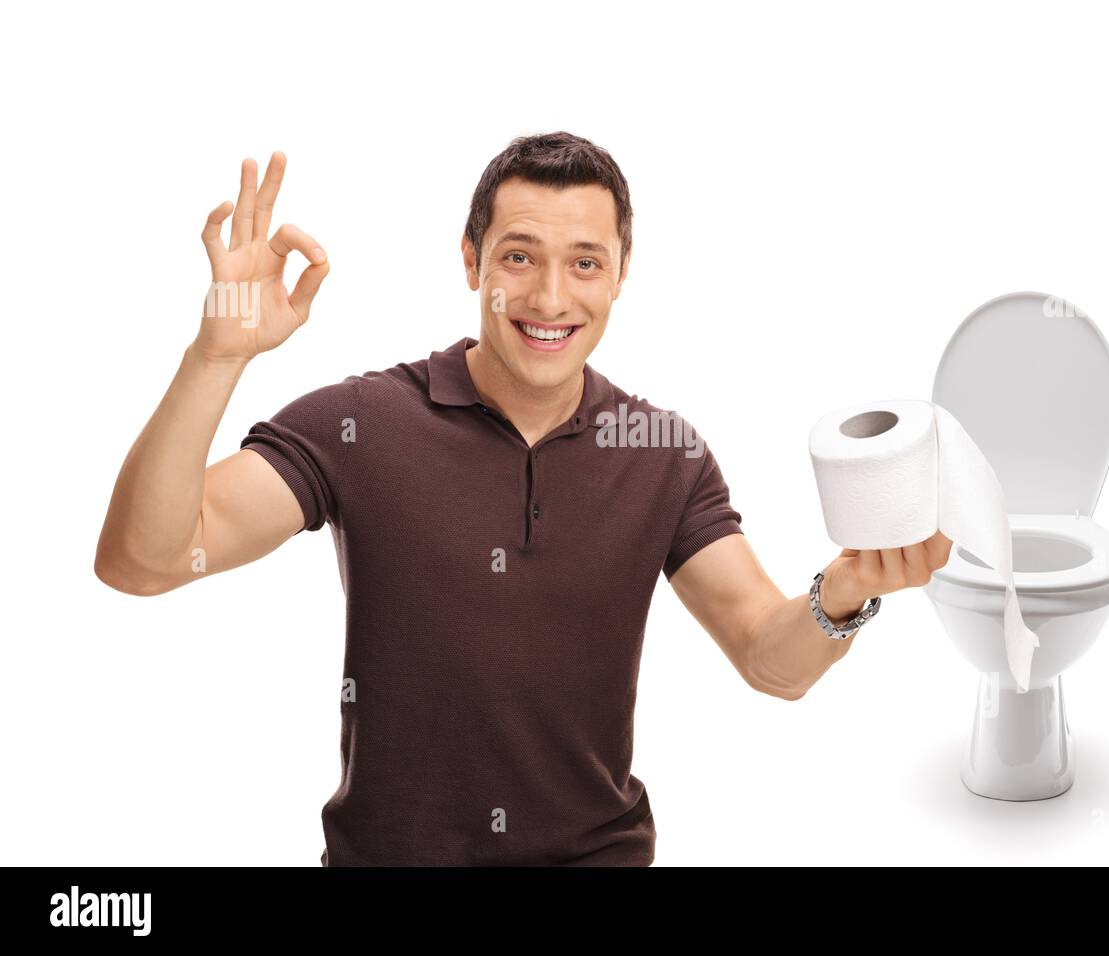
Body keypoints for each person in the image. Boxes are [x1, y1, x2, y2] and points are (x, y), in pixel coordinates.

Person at [94, 131, 953, 866]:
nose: (550, 298)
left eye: (585, 263)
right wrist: (216, 358)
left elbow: (772, 660)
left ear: (620, 275)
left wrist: (845, 595)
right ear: (471, 261)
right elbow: (146, 560)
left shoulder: (662, 453)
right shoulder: (361, 424)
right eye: (519, 257)